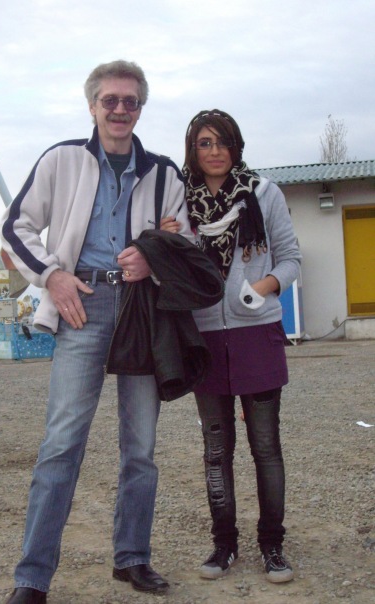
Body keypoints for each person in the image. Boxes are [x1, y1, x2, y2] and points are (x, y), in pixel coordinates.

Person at [0, 60, 194, 604]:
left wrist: (153, 256)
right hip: (80, 303)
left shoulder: (164, 175)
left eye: (131, 101)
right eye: (110, 100)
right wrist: (53, 275)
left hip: (141, 309)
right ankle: (32, 578)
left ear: (141, 109)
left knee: (141, 446)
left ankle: (133, 557)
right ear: (92, 106)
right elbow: (15, 227)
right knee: (62, 443)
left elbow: (187, 244)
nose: (120, 110)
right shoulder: (61, 160)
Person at [163, 109, 301, 584]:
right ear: (192, 150)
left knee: (266, 446)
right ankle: (224, 544)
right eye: (204, 143)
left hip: (256, 334)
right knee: (216, 449)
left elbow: (290, 259)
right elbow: (170, 273)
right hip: (204, 337)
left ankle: (272, 544)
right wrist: (168, 243)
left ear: (236, 145)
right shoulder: (180, 202)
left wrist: (261, 288)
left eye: (222, 141)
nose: (214, 151)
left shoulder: (264, 193)